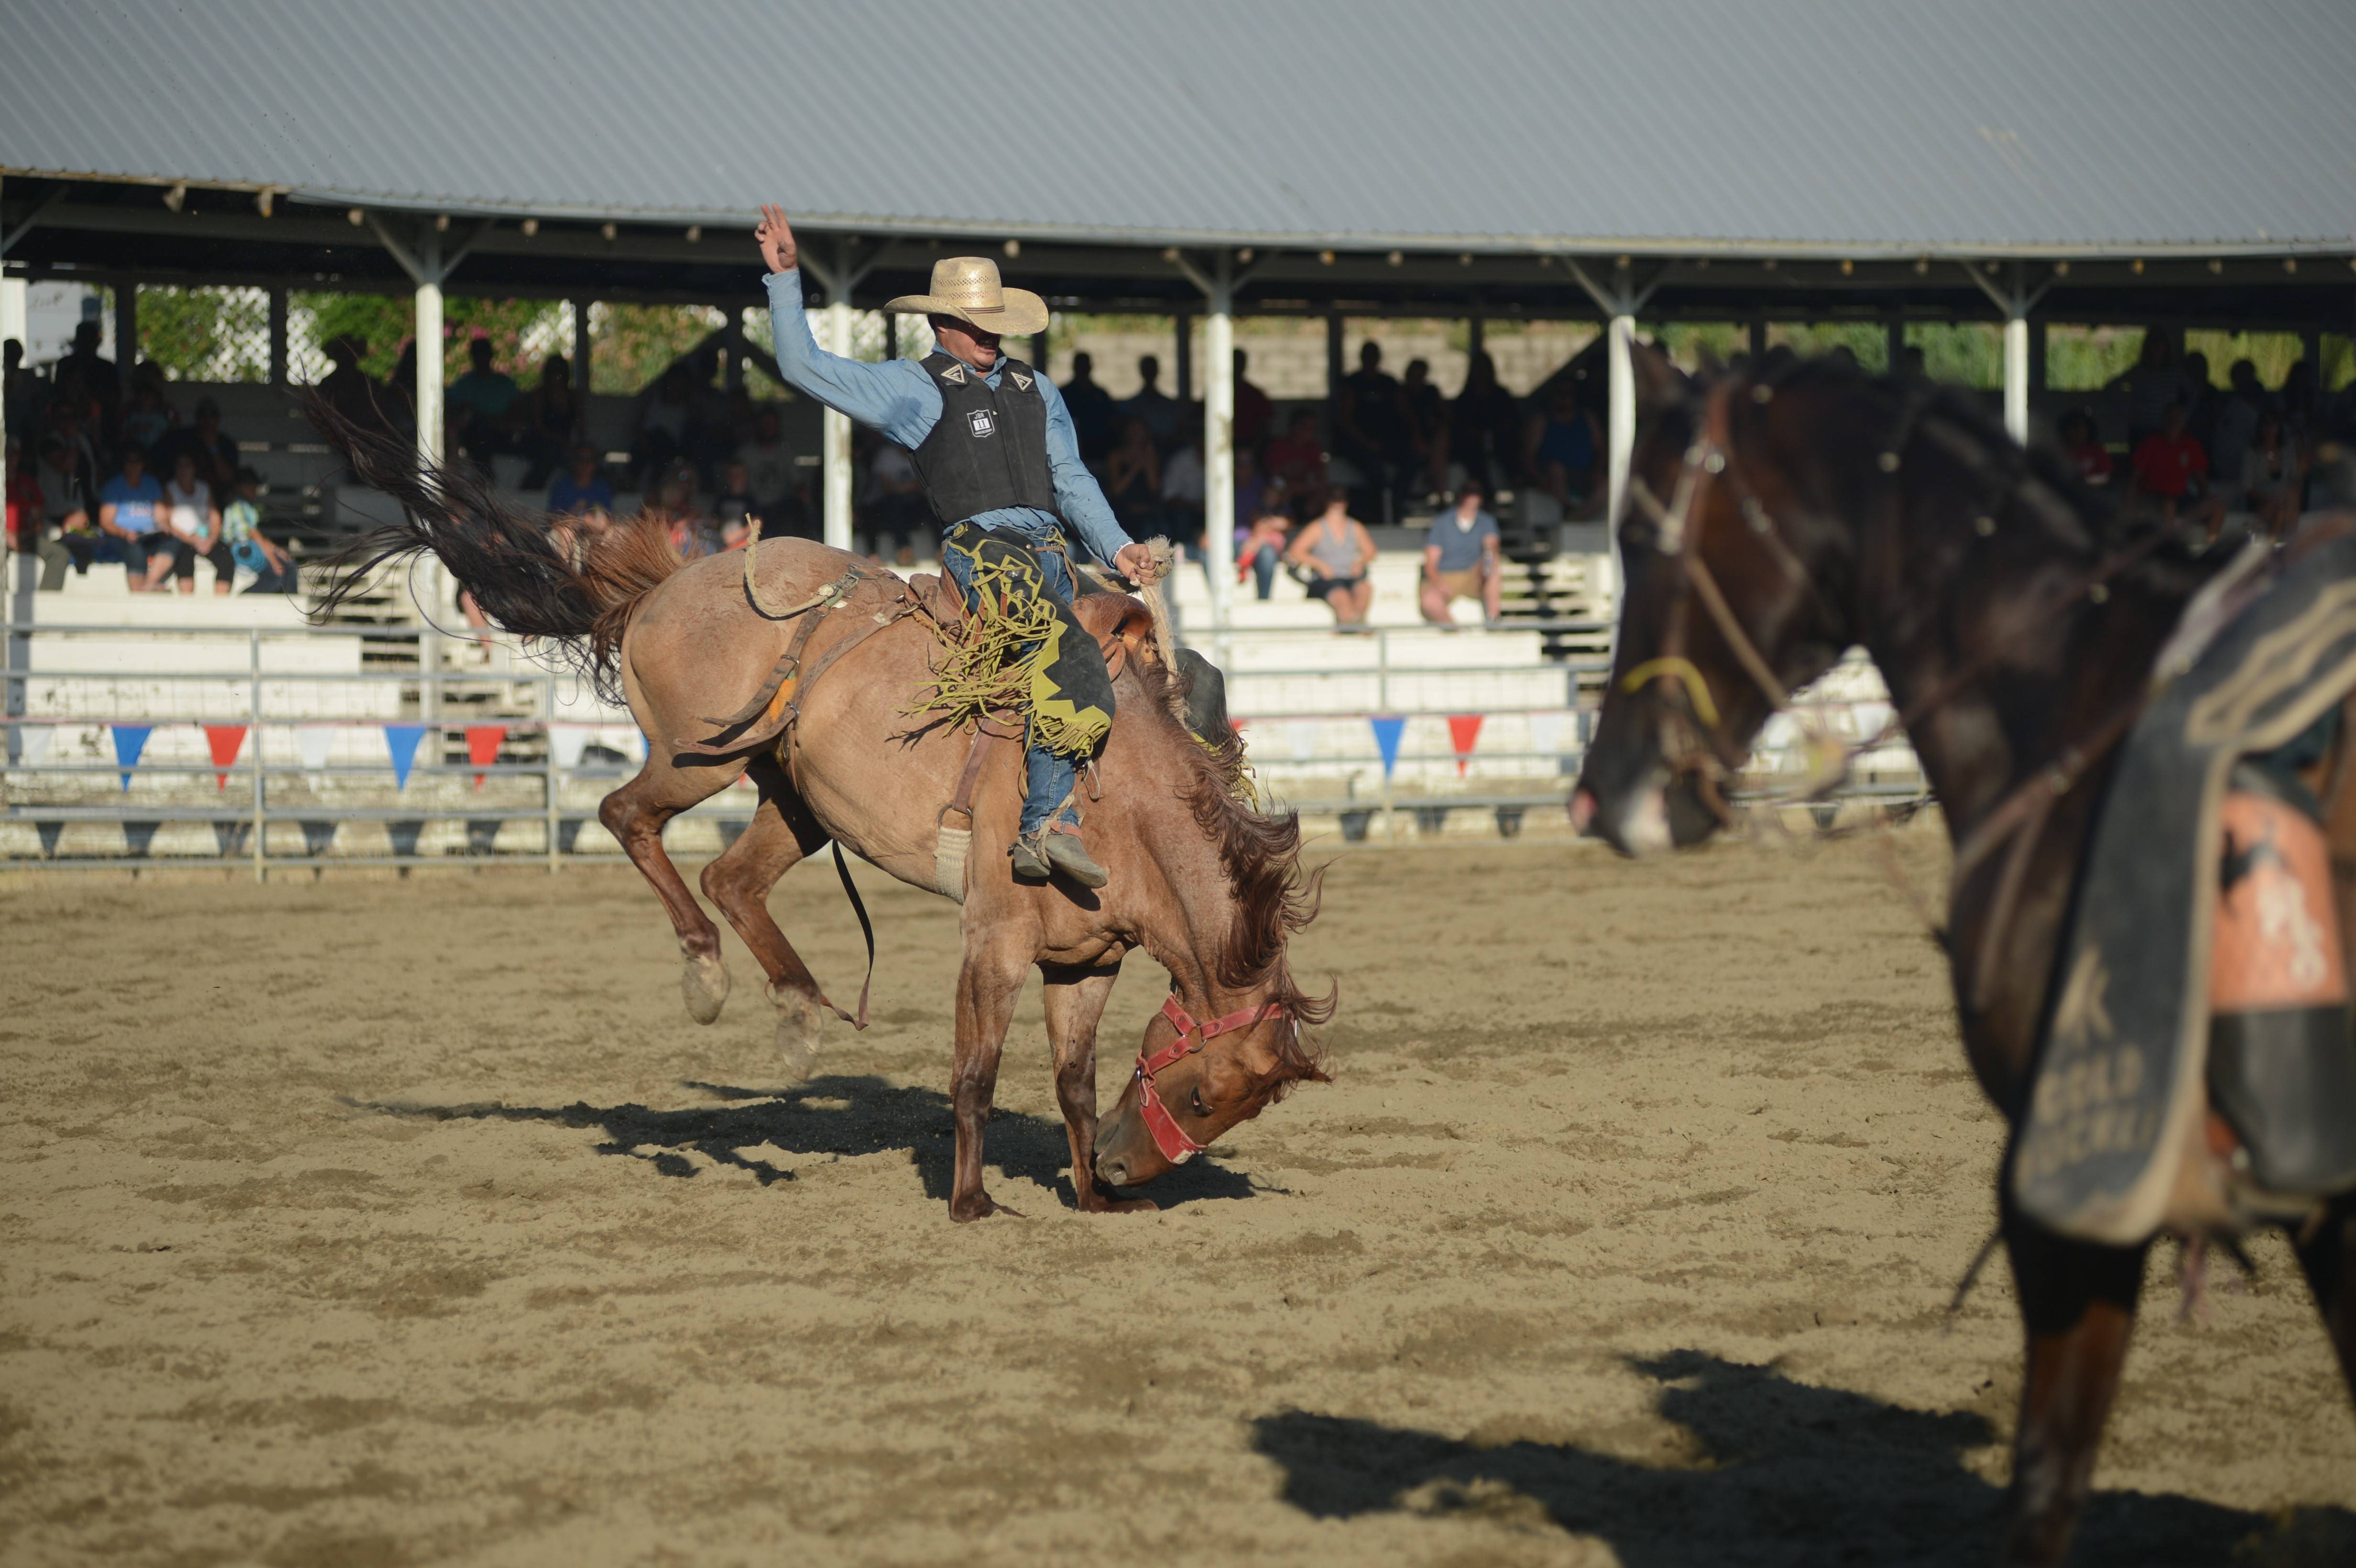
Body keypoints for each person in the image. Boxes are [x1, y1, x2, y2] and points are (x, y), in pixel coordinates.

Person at [754, 203, 1159, 888]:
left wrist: (1117, 549)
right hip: (984, 552)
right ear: (942, 324)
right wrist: (786, 283)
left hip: (1056, 553)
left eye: (997, 325)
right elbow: (806, 368)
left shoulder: (1039, 389)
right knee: (1063, 649)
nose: (991, 337)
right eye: (978, 325)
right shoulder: (915, 388)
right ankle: (1044, 827)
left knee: (1154, 664)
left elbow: (1070, 477)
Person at [1284, 486, 1377, 629]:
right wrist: (1320, 565)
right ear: (1327, 501)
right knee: (1342, 597)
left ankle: (1356, 624)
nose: (1338, 503)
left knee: (1364, 589)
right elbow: (1296, 551)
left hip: (1350, 576)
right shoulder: (1317, 528)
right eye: (1334, 498)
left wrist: (1360, 562)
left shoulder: (1355, 527)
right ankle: (1350, 629)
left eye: (1342, 498)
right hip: (1326, 580)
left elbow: (1371, 551)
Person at [1333, 339, 1411, 511]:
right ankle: (1383, 510)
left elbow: (1405, 414)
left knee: (1411, 457)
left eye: (1374, 356)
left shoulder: (1389, 383)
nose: (1371, 360)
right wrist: (1367, 442)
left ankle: (1397, 503)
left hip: (1385, 442)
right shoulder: (1352, 383)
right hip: (1358, 443)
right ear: (1361, 358)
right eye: (1368, 356)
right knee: (1376, 470)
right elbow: (1345, 420)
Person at [1421, 477, 1503, 626]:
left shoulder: (1487, 522)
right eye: (1468, 492)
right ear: (1461, 495)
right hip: (1446, 575)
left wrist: (1484, 565)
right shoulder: (1442, 522)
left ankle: (1494, 619)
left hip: (1473, 575)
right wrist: (1439, 583)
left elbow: (1492, 549)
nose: (1472, 497)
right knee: (1429, 602)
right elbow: (1431, 563)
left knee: (1494, 566)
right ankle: (1456, 632)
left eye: (1476, 493)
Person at [1442, 350, 1523, 495]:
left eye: (1485, 368)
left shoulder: (1501, 395)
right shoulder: (1465, 399)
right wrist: (1478, 435)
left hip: (1501, 440)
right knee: (1473, 456)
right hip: (1472, 444)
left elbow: (1512, 420)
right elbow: (1459, 425)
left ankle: (1520, 489)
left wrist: (1494, 433)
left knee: (1512, 453)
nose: (1482, 373)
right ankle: (1485, 495)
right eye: (1478, 369)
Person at [2128, 401, 2217, 532]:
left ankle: (2211, 544)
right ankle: (2168, 547)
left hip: (2182, 497)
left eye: (2178, 418)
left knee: (2217, 506)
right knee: (2169, 505)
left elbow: (2201, 480)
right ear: (2163, 421)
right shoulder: (2150, 444)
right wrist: (2130, 505)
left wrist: (2205, 502)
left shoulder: (2191, 445)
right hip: (2153, 497)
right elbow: (2134, 478)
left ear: (2184, 422)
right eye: (2170, 418)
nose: (2173, 422)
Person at [98, 448, 172, 589]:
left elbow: (161, 515)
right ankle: (139, 592)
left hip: (149, 535)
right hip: (121, 536)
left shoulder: (151, 483)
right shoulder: (113, 486)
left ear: (143, 464)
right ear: (124, 464)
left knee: (173, 541)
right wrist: (125, 533)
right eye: (129, 461)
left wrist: (164, 526)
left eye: (137, 461)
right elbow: (106, 522)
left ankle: (149, 584)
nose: (133, 465)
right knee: (135, 549)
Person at [448, 335, 524, 470]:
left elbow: (518, 414)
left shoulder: (505, 383)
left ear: (491, 355)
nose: (481, 358)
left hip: (503, 434)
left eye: (484, 354)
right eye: (477, 354)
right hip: (474, 436)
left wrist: (492, 420)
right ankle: (484, 477)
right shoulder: (464, 384)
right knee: (480, 433)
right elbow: (455, 413)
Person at [160, 448, 229, 594]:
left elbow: (215, 517)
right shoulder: (170, 489)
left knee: (226, 557)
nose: (184, 470)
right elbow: (166, 521)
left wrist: (211, 539)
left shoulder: (204, 488)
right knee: (184, 557)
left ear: (194, 468)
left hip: (205, 538)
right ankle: (187, 601)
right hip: (182, 538)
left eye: (188, 465)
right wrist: (189, 539)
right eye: (180, 466)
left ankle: (221, 603)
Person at [1525, 382, 1601, 511]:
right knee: (1557, 470)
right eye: (1560, 393)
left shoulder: (1587, 418)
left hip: (1584, 475)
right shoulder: (1542, 421)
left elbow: (1601, 448)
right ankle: (1569, 512)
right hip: (1552, 477)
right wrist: (1541, 481)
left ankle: (1588, 514)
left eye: (1569, 394)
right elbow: (1528, 456)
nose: (1564, 398)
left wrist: (1596, 470)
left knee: (1609, 481)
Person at [221, 467, 294, 593]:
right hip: (242, 552)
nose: (254, 490)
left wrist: (277, 551)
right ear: (240, 487)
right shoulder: (239, 505)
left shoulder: (246, 505)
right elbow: (253, 535)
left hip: (249, 550)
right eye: (251, 486)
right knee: (276, 576)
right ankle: (242, 600)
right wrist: (274, 560)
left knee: (290, 568)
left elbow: (256, 536)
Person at [2241, 409, 2309, 540]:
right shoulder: (2252, 453)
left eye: (2273, 424)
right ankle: (2278, 549)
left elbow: (2295, 478)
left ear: (2279, 427)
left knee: (2285, 507)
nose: (2270, 428)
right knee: (2280, 510)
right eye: (2266, 424)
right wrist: (2270, 498)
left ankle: (2274, 548)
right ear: (2260, 427)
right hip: (2261, 500)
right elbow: (2247, 487)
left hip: (2284, 499)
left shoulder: (2287, 451)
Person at [151, 396, 240, 495]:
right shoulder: (181, 438)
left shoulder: (227, 444)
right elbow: (157, 462)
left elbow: (228, 477)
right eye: (203, 415)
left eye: (212, 415)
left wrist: (213, 448)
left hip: (214, 497)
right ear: (197, 417)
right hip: (178, 496)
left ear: (218, 419)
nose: (207, 420)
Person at [520, 355, 579, 489]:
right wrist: (560, 440)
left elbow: (580, 428)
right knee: (551, 454)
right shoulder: (539, 396)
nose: (557, 375)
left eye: (560, 371)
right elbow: (539, 427)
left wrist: (577, 445)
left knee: (582, 457)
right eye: (554, 371)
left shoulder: (573, 397)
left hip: (564, 445)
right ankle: (530, 489)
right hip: (539, 443)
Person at [865, 439, 927, 565]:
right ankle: (904, 550)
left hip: (915, 503)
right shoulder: (886, 455)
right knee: (893, 506)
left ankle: (942, 551)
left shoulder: (920, 454)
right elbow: (887, 486)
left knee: (933, 506)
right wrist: (910, 487)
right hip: (889, 503)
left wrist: (903, 488)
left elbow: (925, 487)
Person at [1102, 416, 1161, 540]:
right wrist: (1136, 467)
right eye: (1133, 430)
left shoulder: (1150, 455)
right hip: (1122, 509)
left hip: (1145, 510)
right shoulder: (1116, 456)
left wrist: (1147, 461)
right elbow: (1116, 491)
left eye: (1140, 431)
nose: (1136, 435)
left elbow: (1155, 487)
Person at [1059, 350, 1117, 468]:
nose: (1083, 369)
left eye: (1085, 365)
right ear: (1074, 367)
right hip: (1070, 452)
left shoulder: (1101, 395)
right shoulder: (1064, 394)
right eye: (1080, 365)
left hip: (1101, 452)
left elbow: (1112, 422)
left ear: (1090, 367)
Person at [1264, 409, 1327, 516]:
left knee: (1323, 497)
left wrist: (1303, 489)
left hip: (1303, 492)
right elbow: (1276, 479)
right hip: (1282, 492)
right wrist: (1294, 488)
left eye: (1314, 428)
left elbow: (1322, 480)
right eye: (1309, 428)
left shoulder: (1313, 448)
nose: (1313, 432)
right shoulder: (1279, 446)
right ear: (1296, 428)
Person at [735, 405, 795, 513]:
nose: (768, 428)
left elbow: (797, 482)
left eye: (771, 424)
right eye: (765, 424)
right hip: (751, 508)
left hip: (781, 508)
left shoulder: (786, 453)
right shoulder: (745, 453)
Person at [1236, 485, 1291, 600]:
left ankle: (1245, 560)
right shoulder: (1258, 511)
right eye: (1269, 496)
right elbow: (1257, 526)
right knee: (1258, 540)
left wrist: (1271, 525)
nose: (1271, 498)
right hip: (1260, 541)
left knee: (1262, 543)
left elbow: (1286, 524)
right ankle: (1245, 560)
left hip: (1277, 545)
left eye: (1274, 495)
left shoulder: (1285, 512)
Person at [1122, 354, 1184, 455]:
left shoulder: (1169, 406)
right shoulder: (1134, 405)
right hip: (1140, 453)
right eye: (1147, 369)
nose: (1149, 373)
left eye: (1151, 369)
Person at [1159, 426, 1205, 553]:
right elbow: (1168, 497)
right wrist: (1195, 506)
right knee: (1182, 516)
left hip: (1211, 510)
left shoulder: (1222, 459)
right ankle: (1185, 553)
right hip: (1185, 510)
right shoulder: (1181, 460)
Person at [546, 443, 614, 517]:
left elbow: (607, 518)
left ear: (596, 463)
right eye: (580, 459)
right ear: (573, 462)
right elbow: (554, 519)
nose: (585, 464)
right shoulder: (561, 486)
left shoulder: (602, 487)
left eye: (590, 459)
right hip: (567, 527)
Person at [1232, 348, 1274, 456]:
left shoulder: (1255, 394)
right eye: (1234, 363)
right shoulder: (1216, 394)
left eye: (1239, 363)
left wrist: (1256, 447)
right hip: (1222, 443)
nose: (1237, 367)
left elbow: (1266, 424)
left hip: (1251, 445)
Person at [2057, 410, 2113, 486]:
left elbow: (2106, 477)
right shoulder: (2058, 450)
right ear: (2066, 430)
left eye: (2082, 428)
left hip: (2091, 494)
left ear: (2088, 430)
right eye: (2074, 427)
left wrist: (2083, 481)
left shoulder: (2097, 451)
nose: (2078, 432)